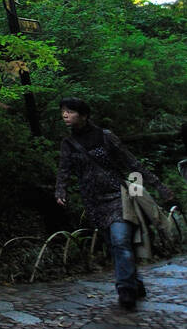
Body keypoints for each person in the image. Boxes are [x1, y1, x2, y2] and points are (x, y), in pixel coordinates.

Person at [54, 97, 174, 310]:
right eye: (63, 111)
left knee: (120, 241)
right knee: (114, 245)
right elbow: (64, 170)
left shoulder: (105, 136)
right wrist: (60, 191)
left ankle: (125, 290)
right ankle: (134, 282)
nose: (65, 115)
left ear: (83, 115)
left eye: (70, 111)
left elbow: (132, 163)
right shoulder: (68, 143)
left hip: (117, 197)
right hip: (93, 202)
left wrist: (159, 187)